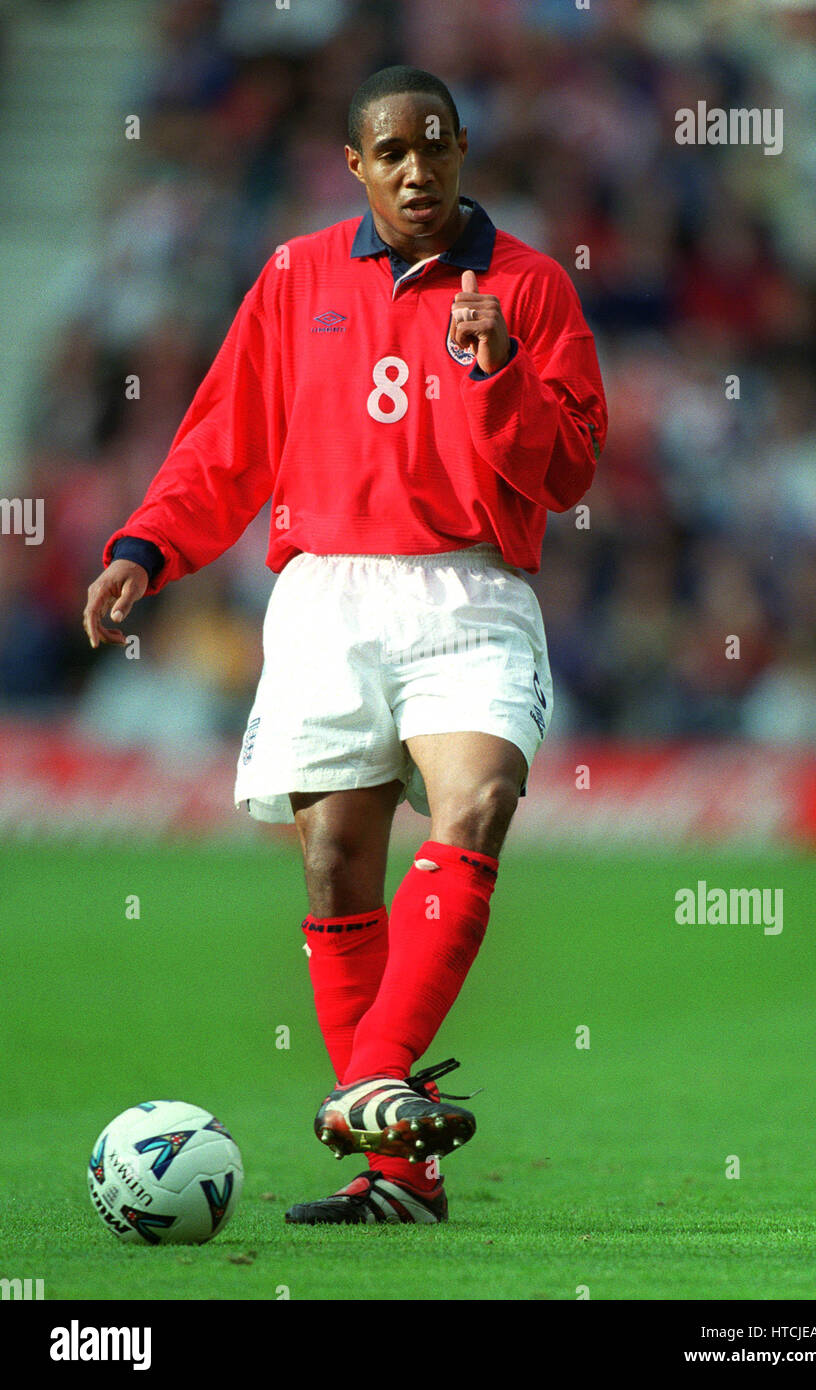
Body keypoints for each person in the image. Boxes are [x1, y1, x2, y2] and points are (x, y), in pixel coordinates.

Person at [83, 65, 607, 1225]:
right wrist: (147, 547)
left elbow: (569, 469)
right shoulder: (294, 275)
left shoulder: (527, 287)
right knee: (333, 863)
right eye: (392, 152)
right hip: (326, 592)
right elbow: (224, 440)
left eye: (435, 145)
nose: (417, 170)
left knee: (477, 801)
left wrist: (496, 375)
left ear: (462, 150)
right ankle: (398, 1173)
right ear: (355, 165)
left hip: (469, 591)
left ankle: (365, 1082)